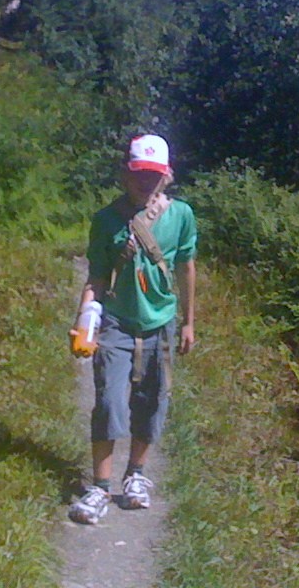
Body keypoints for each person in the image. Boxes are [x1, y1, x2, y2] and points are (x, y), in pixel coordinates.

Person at [68, 133, 197, 525]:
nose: (146, 182)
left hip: (160, 323)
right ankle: (100, 487)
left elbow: (186, 267)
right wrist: (83, 320)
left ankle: (136, 476)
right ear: (126, 174)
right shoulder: (106, 221)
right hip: (116, 323)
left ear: (167, 176)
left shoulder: (181, 216)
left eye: (154, 175)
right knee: (108, 401)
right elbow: (97, 276)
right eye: (140, 173)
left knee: (152, 401)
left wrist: (189, 322)